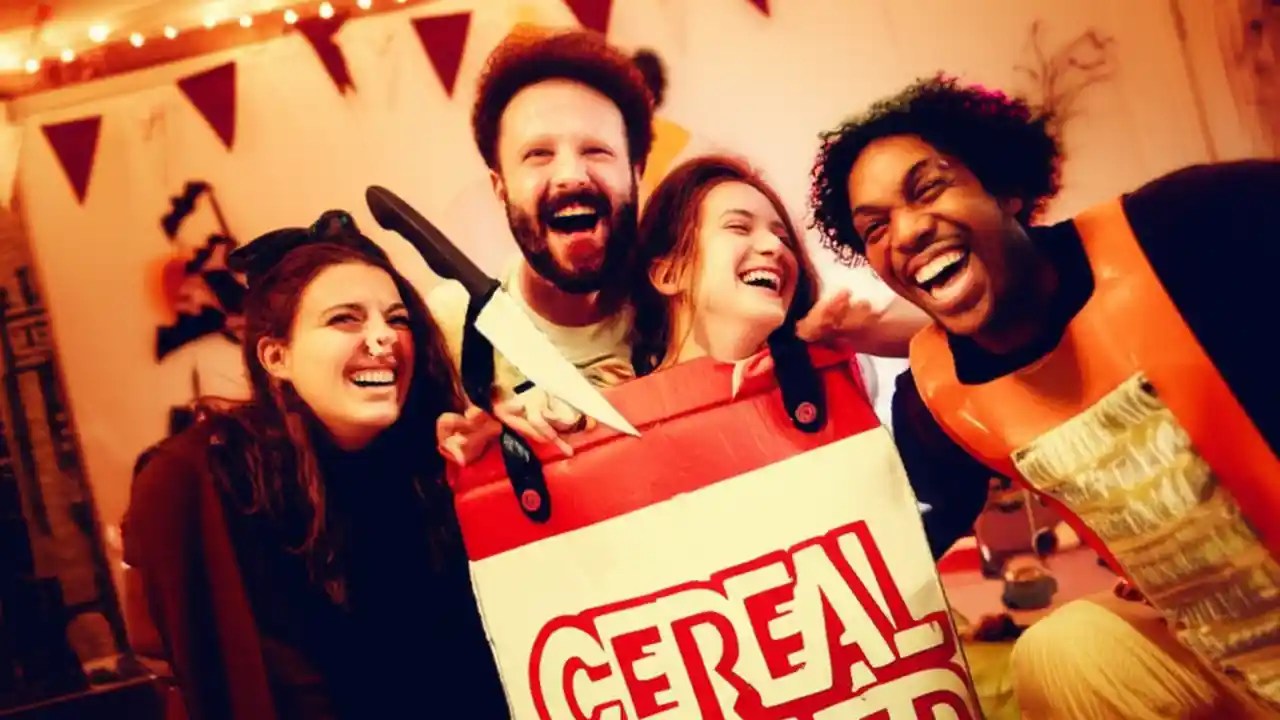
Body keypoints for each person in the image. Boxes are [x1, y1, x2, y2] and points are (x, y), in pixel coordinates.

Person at [808, 74, 1280, 718]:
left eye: (929, 187)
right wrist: (789, 375)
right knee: (1063, 650)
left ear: (1005, 187)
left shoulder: (1185, 225)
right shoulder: (936, 397)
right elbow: (885, 545)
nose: (908, 231)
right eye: (874, 228)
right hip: (1222, 654)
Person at [430, 28, 924, 455]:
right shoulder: (453, 326)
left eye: (597, 151)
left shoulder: (685, 302)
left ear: (635, 172)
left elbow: (957, 329)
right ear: (500, 186)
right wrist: (480, 449)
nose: (571, 176)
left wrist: (857, 333)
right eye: (537, 154)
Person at [124, 211, 509, 719]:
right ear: (276, 357)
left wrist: (495, 476)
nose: (383, 339)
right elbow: (184, 666)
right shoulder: (203, 482)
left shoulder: (437, 461)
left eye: (396, 318)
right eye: (345, 318)